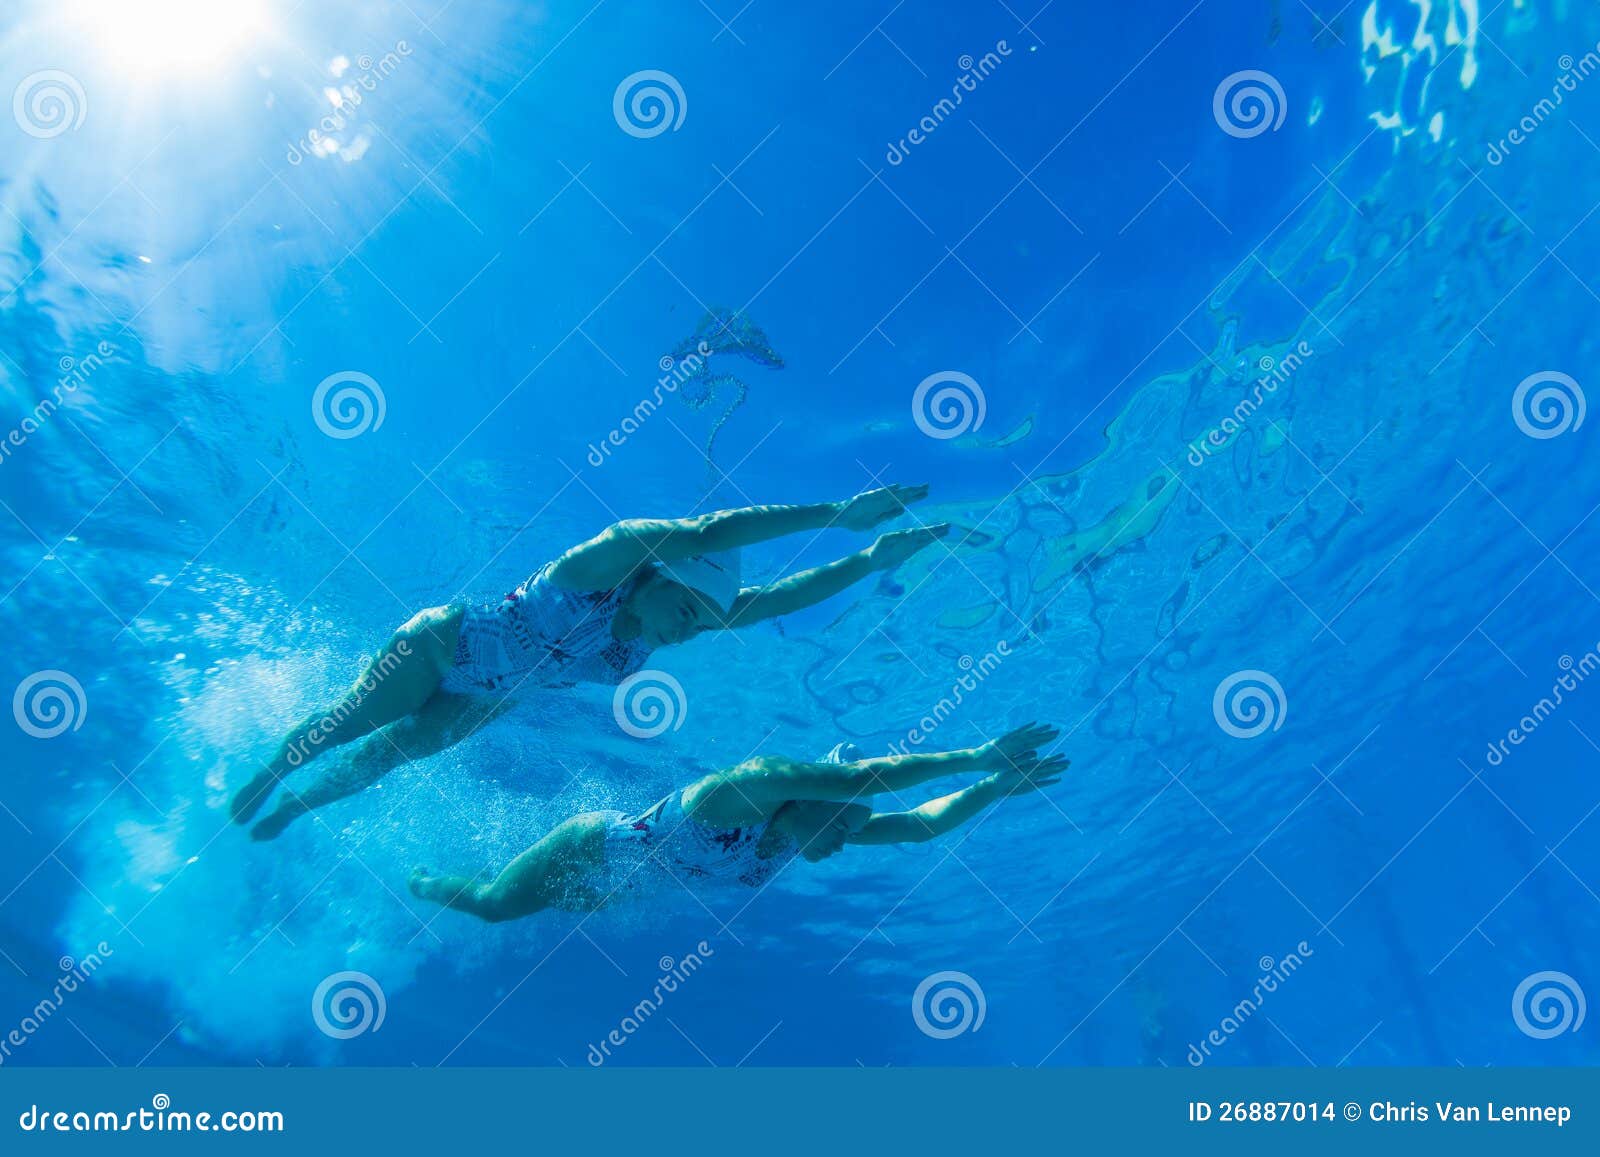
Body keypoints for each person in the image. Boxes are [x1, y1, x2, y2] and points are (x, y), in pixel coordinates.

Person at [231, 485, 949, 840]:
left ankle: (296, 805)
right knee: (346, 725)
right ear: (662, 574)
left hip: (487, 696)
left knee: (386, 760)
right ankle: (274, 768)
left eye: (703, 620)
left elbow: (770, 600)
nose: (690, 630)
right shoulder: (601, 563)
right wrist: (835, 516)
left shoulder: (660, 630)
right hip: (441, 646)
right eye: (689, 609)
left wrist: (866, 561)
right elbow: (707, 529)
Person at [407, 723, 1067, 921]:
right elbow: (864, 783)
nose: (846, 840)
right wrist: (975, 754)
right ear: (814, 795)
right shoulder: (741, 795)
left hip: (612, 888)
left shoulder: (804, 830)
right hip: (589, 847)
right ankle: (424, 880)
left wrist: (995, 787)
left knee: (555, 908)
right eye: (840, 823)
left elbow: (921, 824)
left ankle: (450, 879)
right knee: (495, 904)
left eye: (847, 829)